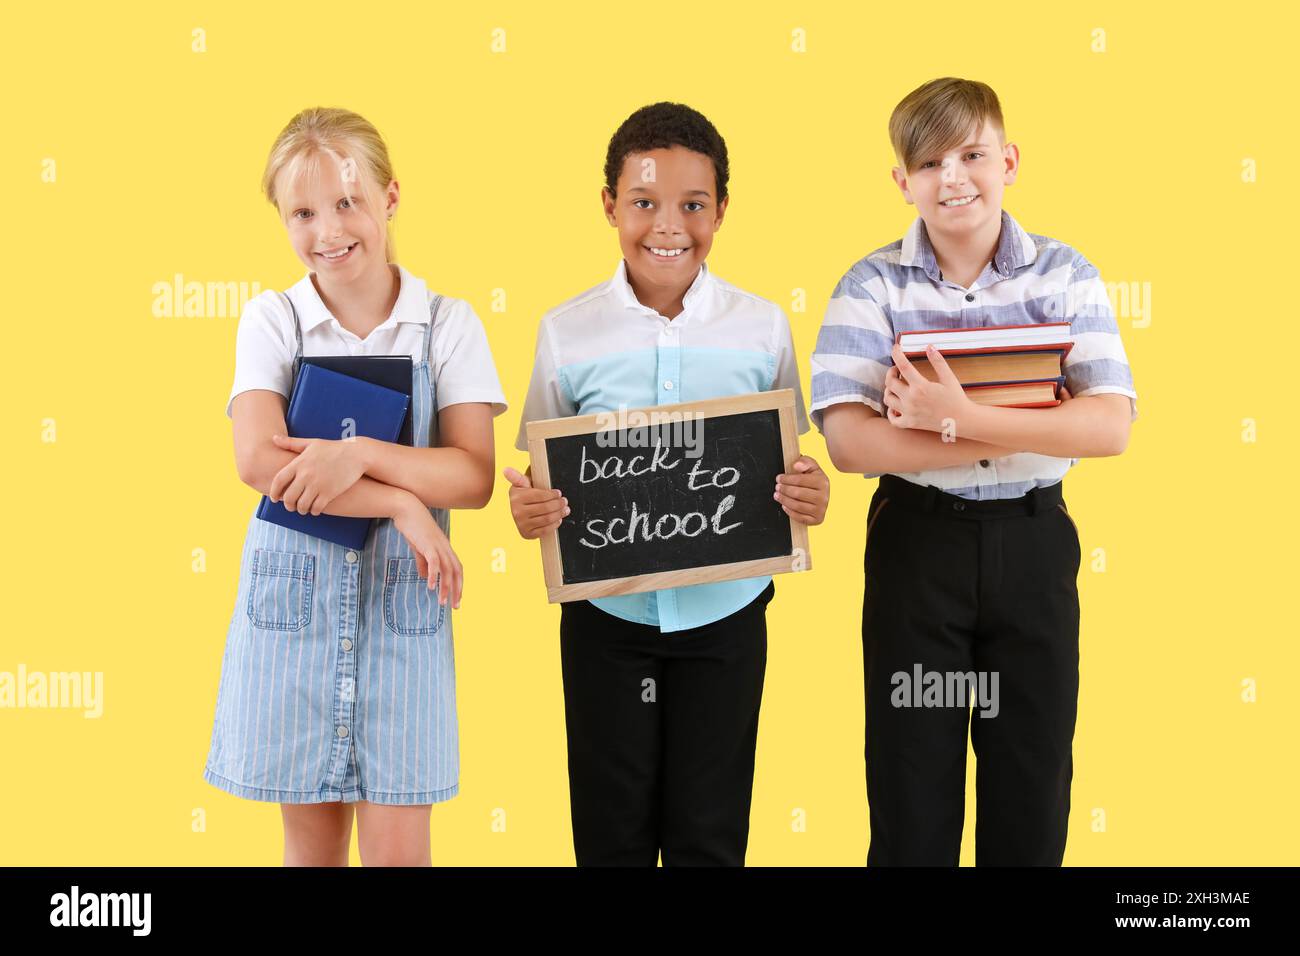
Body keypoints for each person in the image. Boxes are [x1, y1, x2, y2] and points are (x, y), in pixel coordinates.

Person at [810, 77, 1138, 865]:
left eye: (972, 154)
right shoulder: (871, 285)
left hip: (1033, 545)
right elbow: (852, 445)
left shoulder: (1065, 273)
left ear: (1009, 160)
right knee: (910, 786)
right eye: (928, 163)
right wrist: (1034, 424)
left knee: (1031, 788)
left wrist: (945, 415)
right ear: (903, 182)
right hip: (918, 547)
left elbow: (1110, 425)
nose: (952, 176)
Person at [505, 102, 830, 866]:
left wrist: (811, 492)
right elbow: (544, 470)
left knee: (711, 832)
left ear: (721, 209)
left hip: (727, 618)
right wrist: (530, 509)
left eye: (693, 205)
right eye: (644, 203)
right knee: (609, 830)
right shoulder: (566, 330)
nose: (668, 225)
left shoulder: (762, 326)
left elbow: (789, 462)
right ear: (610, 205)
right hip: (606, 623)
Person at [203, 107, 507, 866]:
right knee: (311, 853)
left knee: (401, 854)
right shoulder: (273, 321)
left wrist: (356, 454)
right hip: (292, 619)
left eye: (347, 202)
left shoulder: (449, 325)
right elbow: (259, 462)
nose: (328, 230)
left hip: (404, 618)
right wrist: (402, 498)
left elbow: (471, 475)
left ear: (390, 199)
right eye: (302, 212)